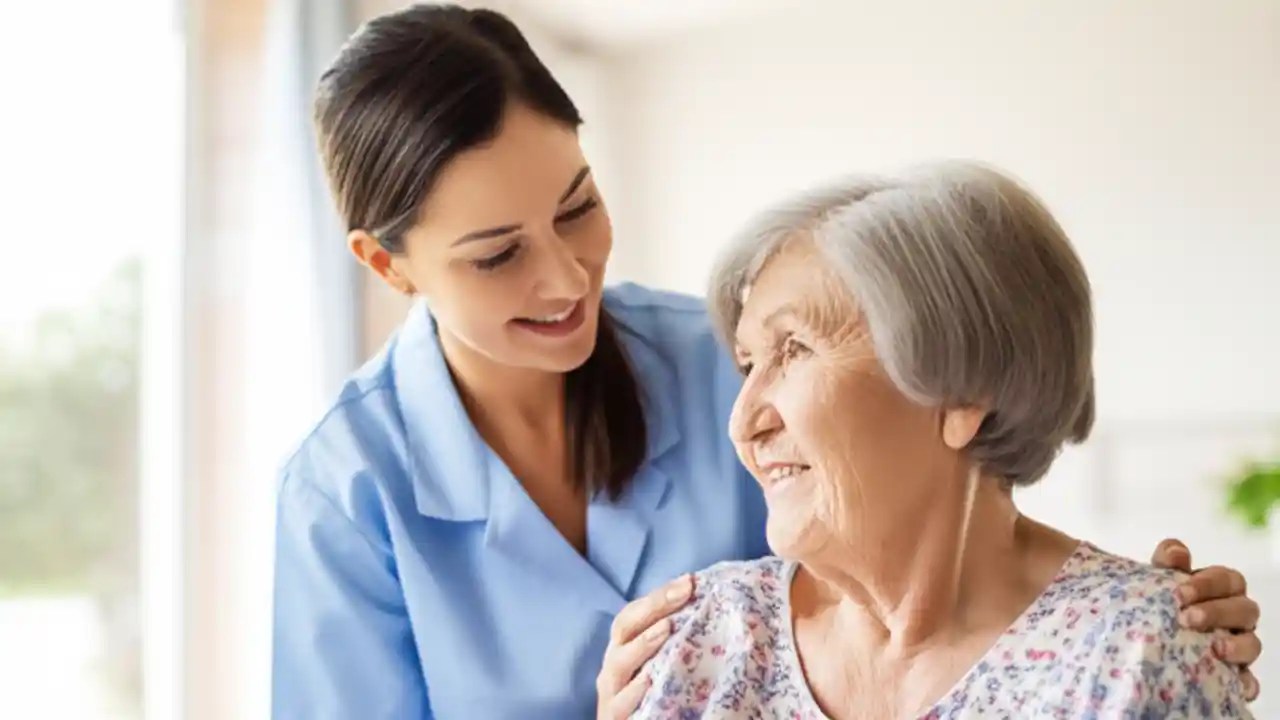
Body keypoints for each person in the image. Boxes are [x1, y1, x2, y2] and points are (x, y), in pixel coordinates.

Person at [269, 5, 1263, 718]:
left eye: (576, 205)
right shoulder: (346, 489)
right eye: (496, 255)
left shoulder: (711, 357)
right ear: (384, 265)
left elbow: (917, 514)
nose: (567, 276)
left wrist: (1117, 609)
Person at [636, 162, 1256, 718]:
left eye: (794, 349)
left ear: (963, 393)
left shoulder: (1133, 656)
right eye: (748, 365)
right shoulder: (703, 641)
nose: (744, 422)